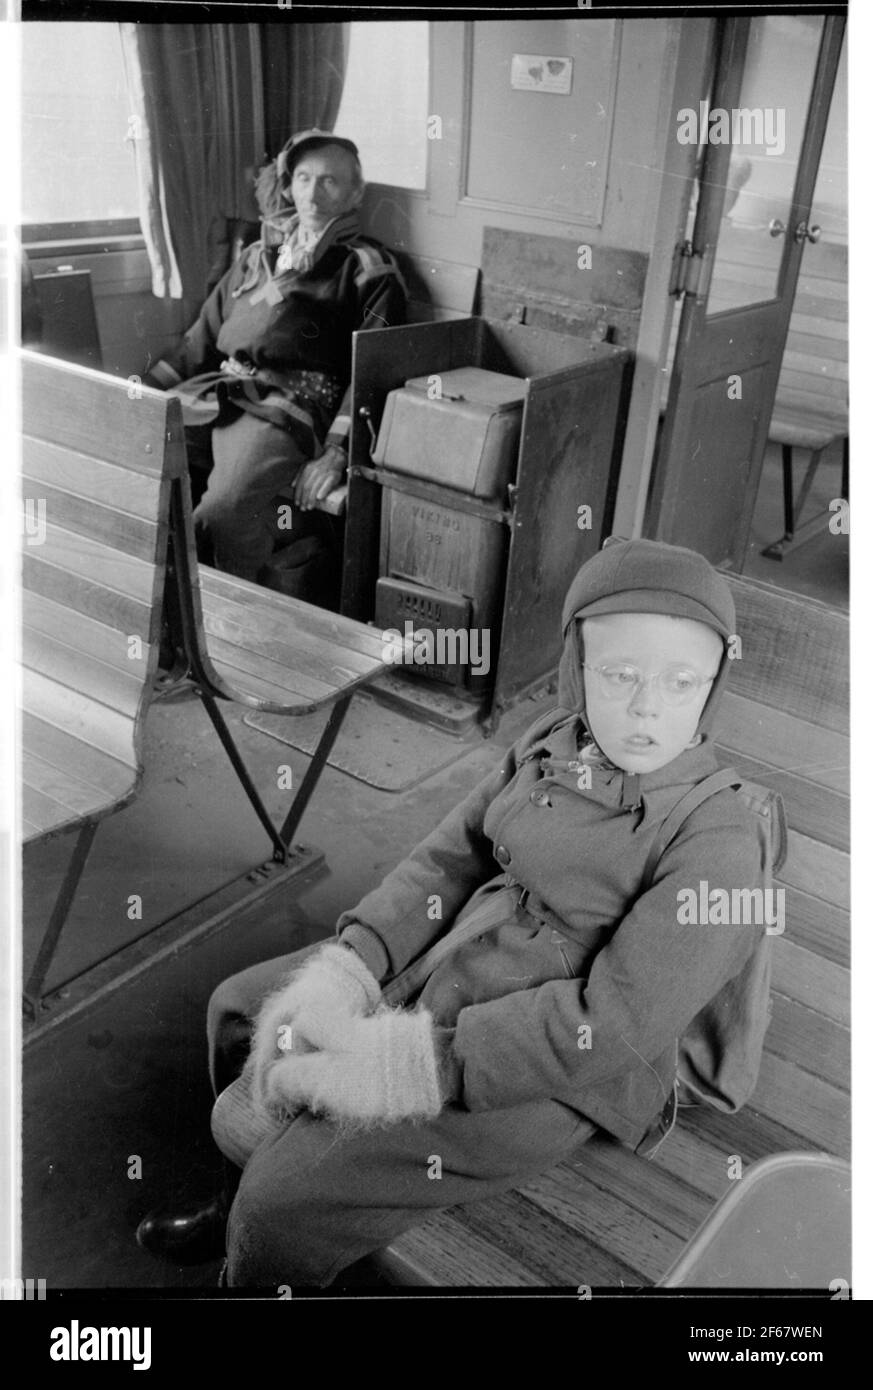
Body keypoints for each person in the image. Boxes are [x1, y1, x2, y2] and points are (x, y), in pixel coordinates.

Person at [137, 538, 769, 1286]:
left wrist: (414, 1063)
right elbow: (449, 858)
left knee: (286, 1197)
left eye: (681, 681)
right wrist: (355, 963)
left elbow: (617, 1022)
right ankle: (230, 1203)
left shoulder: (718, 837)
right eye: (619, 672)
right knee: (241, 1012)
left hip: (554, 1062)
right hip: (460, 949)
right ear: (576, 666)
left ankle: (259, 1249)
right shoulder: (550, 742)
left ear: (712, 684)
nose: (644, 707)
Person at [143, 129, 407, 584]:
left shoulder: (366, 268)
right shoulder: (255, 256)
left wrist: (335, 455)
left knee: (220, 515)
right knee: (143, 471)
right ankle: (173, 619)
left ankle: (228, 628)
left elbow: (375, 373)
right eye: (303, 179)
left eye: (330, 181)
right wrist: (138, 395)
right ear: (288, 186)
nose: (313, 193)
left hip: (286, 410)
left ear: (355, 192)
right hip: (218, 393)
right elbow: (198, 342)